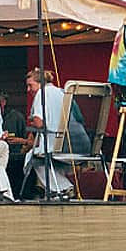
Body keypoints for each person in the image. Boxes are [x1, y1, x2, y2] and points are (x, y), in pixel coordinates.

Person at [24, 68, 74, 199]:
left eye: (30, 85)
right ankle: (59, 189)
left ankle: (62, 188)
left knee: (33, 158)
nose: (29, 90)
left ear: (40, 83)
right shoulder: (62, 92)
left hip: (53, 142)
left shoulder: (42, 93)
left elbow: (39, 123)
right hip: (71, 142)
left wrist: (32, 119)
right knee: (46, 158)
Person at [0, 90, 29, 194]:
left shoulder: (17, 117)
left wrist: (19, 141)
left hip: (15, 158)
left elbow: (28, 140)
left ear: (4, 102)